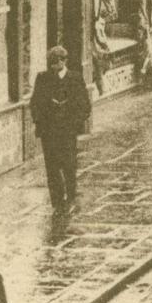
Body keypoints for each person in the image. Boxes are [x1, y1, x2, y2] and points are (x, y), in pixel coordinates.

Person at [29, 45, 89, 210]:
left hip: (67, 130)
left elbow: (84, 104)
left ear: (64, 61)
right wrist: (40, 119)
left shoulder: (75, 78)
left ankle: (70, 196)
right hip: (49, 131)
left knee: (69, 164)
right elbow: (35, 103)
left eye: (57, 62)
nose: (53, 66)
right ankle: (57, 201)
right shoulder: (42, 78)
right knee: (52, 166)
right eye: (51, 62)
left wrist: (75, 122)